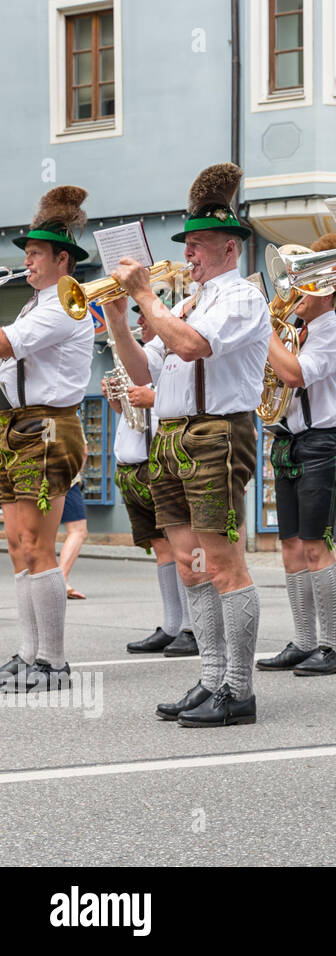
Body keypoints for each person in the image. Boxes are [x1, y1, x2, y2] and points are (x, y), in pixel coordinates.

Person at [107, 162, 270, 727]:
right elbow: (141, 373)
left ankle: (239, 689)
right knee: (189, 564)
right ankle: (211, 678)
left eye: (198, 245)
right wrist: (118, 321)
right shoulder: (184, 303)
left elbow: (194, 347)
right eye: (187, 245)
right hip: (172, 436)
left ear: (229, 247)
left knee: (223, 563)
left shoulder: (240, 299)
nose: (190, 254)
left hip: (217, 433)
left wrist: (146, 299)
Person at [0, 186, 95, 693]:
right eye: (26, 254)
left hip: (49, 425)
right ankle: (28, 653)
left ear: (63, 259)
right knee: (18, 545)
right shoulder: (35, 304)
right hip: (20, 422)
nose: (27, 261)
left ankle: (53, 662)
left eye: (35, 254)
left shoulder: (66, 304)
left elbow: (4, 347)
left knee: (39, 544)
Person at [257, 233, 336, 677]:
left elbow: (296, 375)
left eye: (302, 284)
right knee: (291, 548)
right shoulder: (294, 333)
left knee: (317, 546)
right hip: (289, 440)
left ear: (327, 290)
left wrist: (261, 328)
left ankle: (331, 646)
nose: (292, 292)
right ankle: (303, 640)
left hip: (322, 442)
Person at [112, 369, 198, 657]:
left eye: (146, 322)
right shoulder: (140, 358)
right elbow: (134, 419)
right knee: (163, 548)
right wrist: (118, 401)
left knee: (185, 547)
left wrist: (153, 398)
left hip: (161, 463)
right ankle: (173, 625)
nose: (143, 325)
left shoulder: (173, 357)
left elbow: (193, 402)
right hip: (133, 467)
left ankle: (192, 627)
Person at [58, 469, 89, 600]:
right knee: (78, 530)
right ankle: (60, 582)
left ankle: (39, 582)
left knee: (39, 534)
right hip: (63, 476)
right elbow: (83, 452)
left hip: (30, 478)